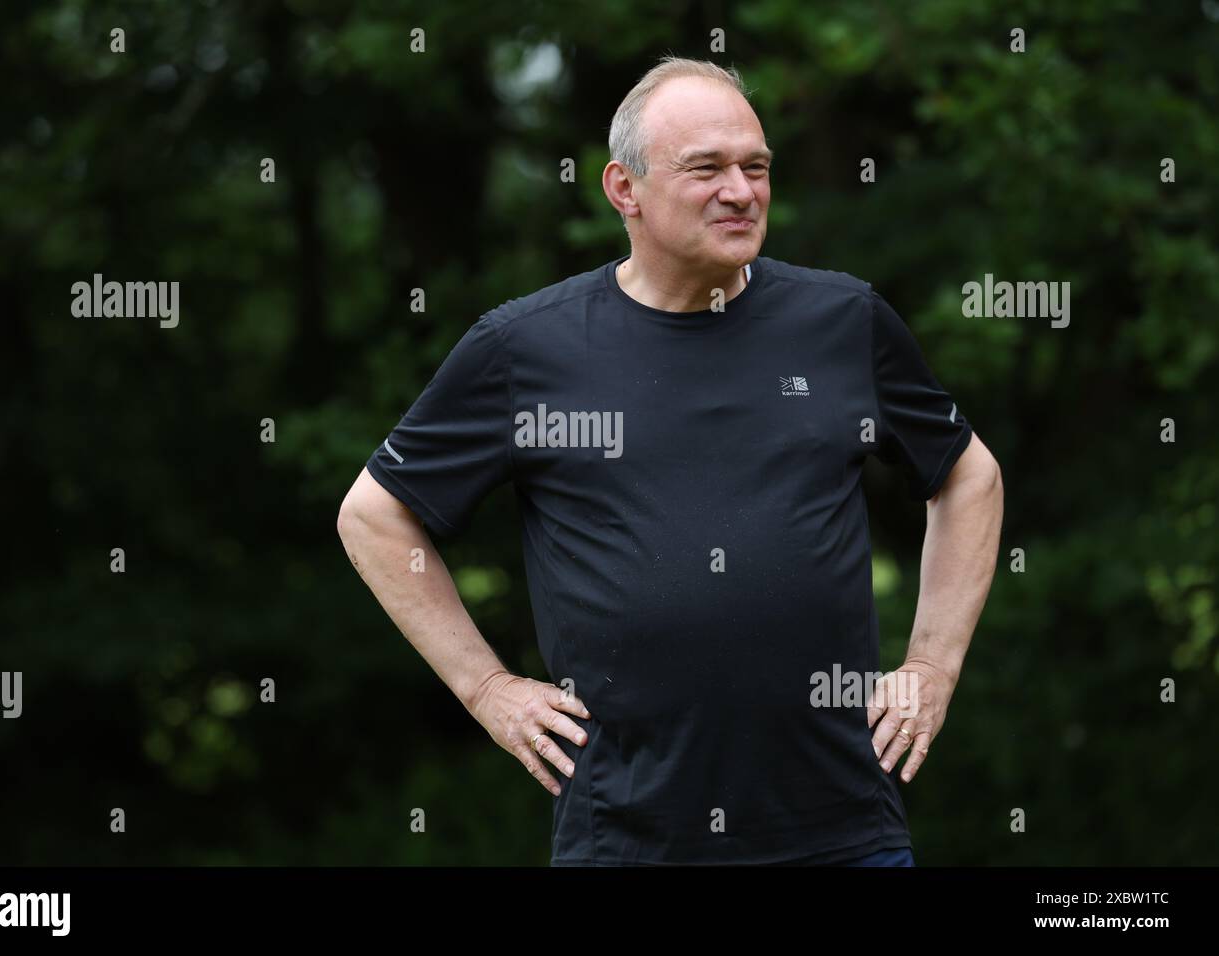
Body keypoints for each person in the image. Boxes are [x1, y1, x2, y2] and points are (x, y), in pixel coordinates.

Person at [337, 56, 1004, 866]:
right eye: (707, 169)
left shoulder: (845, 322)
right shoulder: (527, 350)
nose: (742, 190)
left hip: (844, 835)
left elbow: (969, 475)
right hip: (629, 841)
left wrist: (931, 664)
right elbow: (374, 513)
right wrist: (489, 688)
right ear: (625, 190)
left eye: (756, 167)